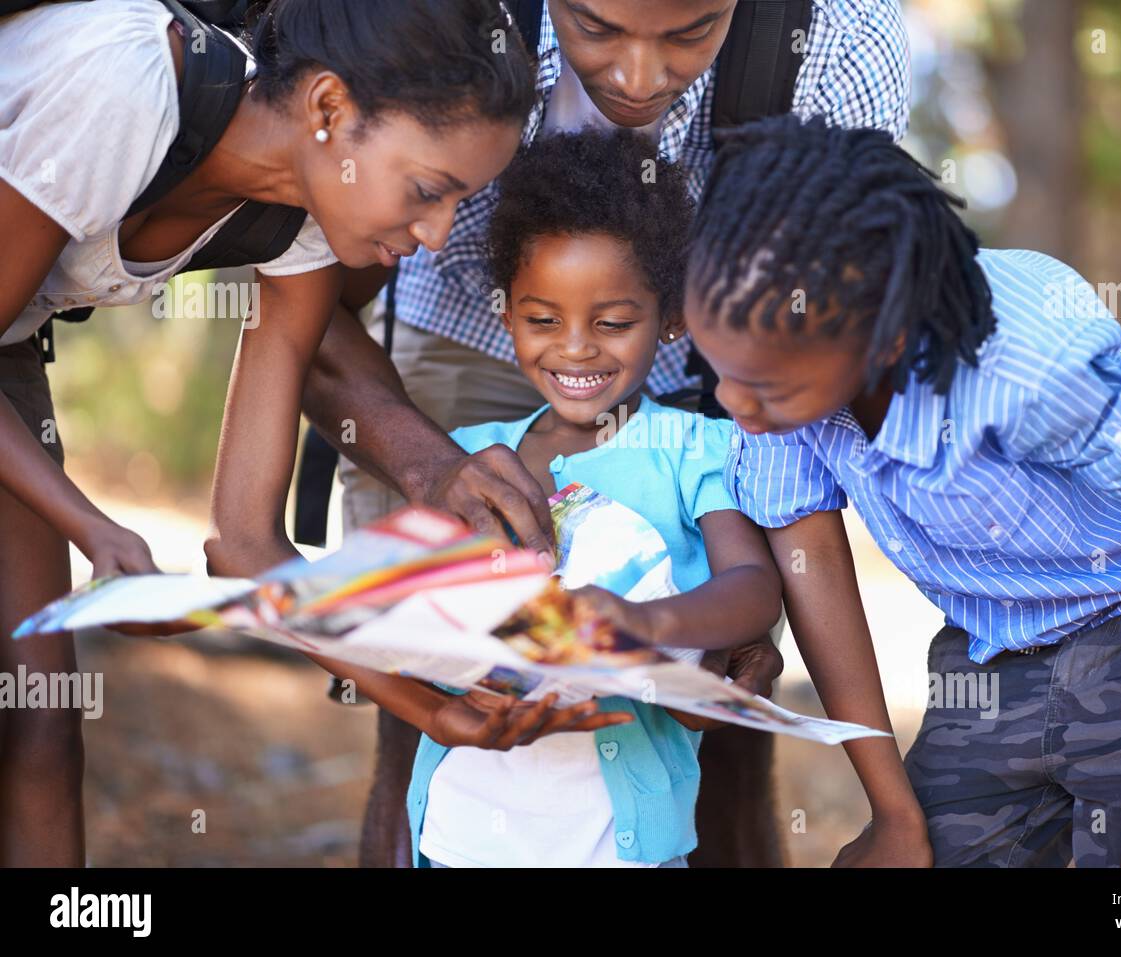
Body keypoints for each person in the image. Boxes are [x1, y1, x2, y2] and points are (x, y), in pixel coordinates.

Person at [0, 0, 587, 867]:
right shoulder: (125, 83)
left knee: (40, 730)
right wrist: (91, 522)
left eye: (456, 203)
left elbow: (245, 543)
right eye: (428, 191)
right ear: (326, 110)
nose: (431, 237)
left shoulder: (306, 220)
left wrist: (431, 708)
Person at [340, 0, 911, 868]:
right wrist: (424, 661)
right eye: (599, 28)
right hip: (453, 329)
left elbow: (755, 582)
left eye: (687, 33)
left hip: (708, 345)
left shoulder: (837, 36)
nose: (638, 80)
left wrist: (658, 624)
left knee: (728, 732)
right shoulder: (486, 444)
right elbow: (370, 610)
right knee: (407, 734)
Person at [684, 114, 1121, 867]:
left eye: (764, 386)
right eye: (719, 369)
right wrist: (894, 812)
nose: (735, 405)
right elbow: (809, 556)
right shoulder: (776, 370)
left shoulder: (1028, 365)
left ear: (881, 334)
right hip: (1001, 644)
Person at [407, 128, 782, 867]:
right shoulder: (474, 455)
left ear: (671, 317)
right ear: (506, 313)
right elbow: (410, 614)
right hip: (465, 833)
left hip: (622, 845)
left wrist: (644, 621)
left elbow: (755, 588)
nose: (576, 348)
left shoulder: (694, 448)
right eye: (543, 319)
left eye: (612, 322)